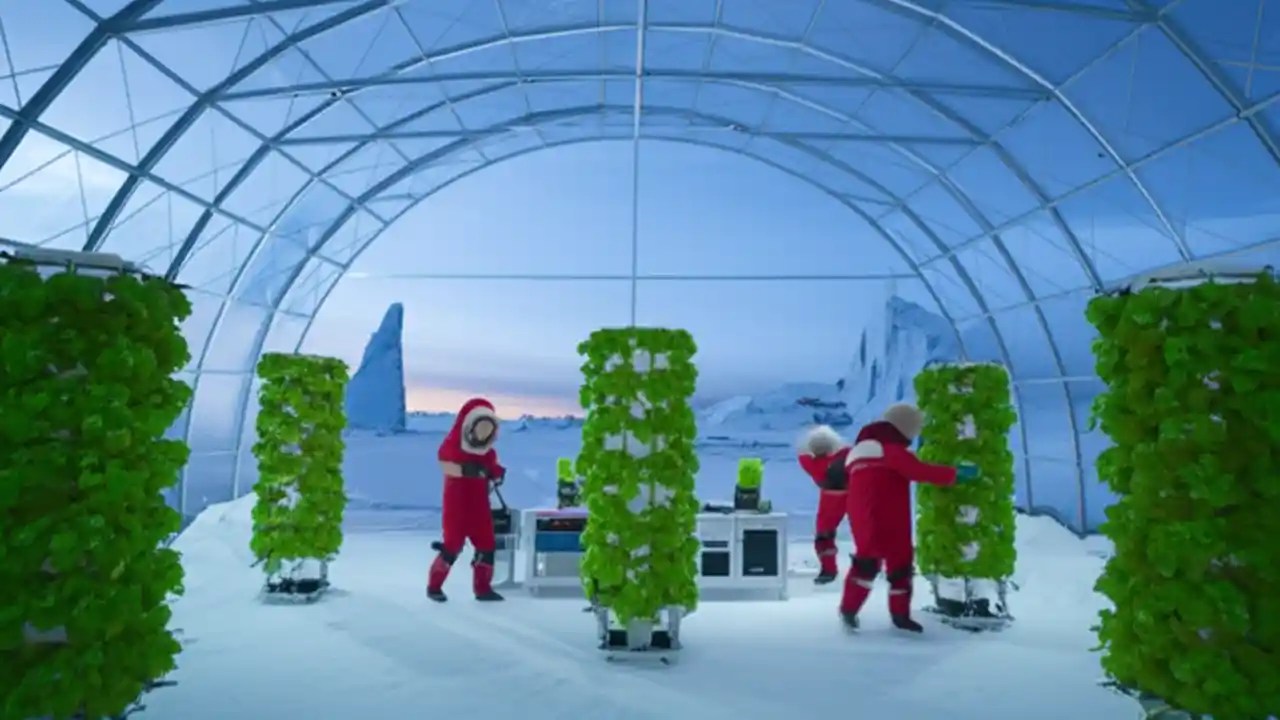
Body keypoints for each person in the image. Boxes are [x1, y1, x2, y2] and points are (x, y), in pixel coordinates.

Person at [839, 402, 978, 633]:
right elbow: (920, 471)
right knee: (899, 565)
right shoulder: (890, 450)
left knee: (866, 562)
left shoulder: (856, 454)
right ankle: (900, 615)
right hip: (889, 514)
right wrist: (955, 474)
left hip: (862, 515)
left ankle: (849, 609)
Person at [427, 397, 507, 602]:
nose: (483, 434)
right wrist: (469, 470)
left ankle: (483, 588)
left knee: (486, 545)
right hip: (457, 504)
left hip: (479, 505)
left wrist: (495, 472)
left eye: (487, 430)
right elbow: (446, 465)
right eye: (481, 429)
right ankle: (434, 586)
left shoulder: (488, 453)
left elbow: (491, 466)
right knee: (452, 546)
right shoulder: (451, 446)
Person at [796, 425, 853, 585]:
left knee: (824, 535)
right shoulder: (847, 455)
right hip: (855, 495)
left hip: (830, 499)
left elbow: (802, 455)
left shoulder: (813, 464)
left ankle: (828, 569)